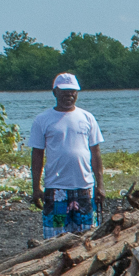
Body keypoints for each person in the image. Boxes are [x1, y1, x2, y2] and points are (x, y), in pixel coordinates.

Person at [29, 72, 105, 239]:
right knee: (56, 236)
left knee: (87, 235)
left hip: (84, 188)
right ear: (55, 92)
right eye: (64, 91)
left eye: (72, 91)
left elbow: (96, 153)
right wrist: (36, 187)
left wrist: (100, 184)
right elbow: (37, 155)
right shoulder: (43, 119)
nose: (69, 95)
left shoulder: (87, 118)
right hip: (57, 190)